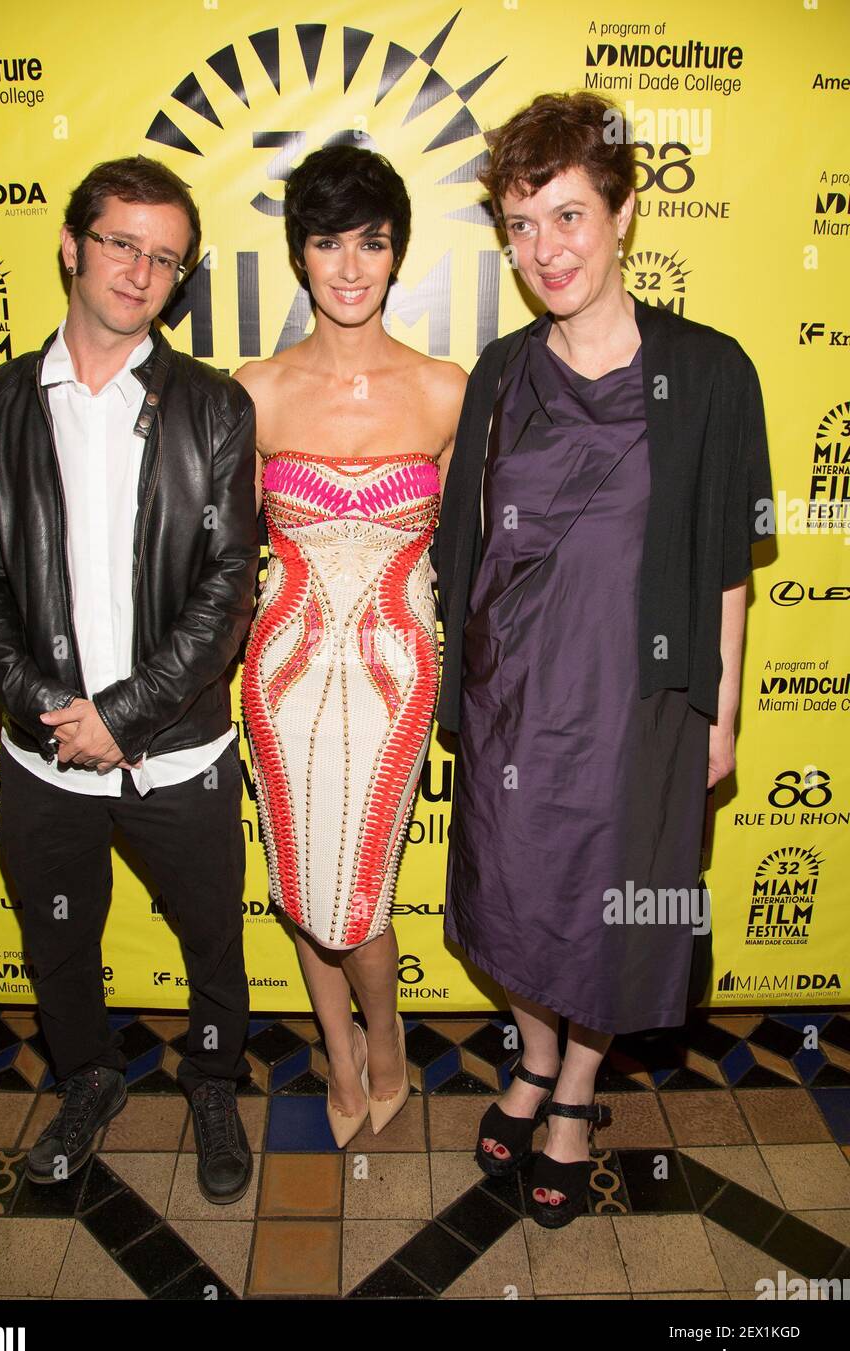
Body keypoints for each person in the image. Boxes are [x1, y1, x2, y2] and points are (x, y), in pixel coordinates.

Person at [432, 92, 772, 1227]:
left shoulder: (711, 372)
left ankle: (574, 1092)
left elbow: (726, 557)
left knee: (614, 914)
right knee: (517, 904)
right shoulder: (498, 373)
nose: (546, 251)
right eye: (523, 226)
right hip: (514, 703)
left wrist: (719, 710)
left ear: (624, 214)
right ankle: (533, 1057)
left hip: (641, 707)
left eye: (569, 216)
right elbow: (465, 547)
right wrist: (461, 696)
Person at [0, 155, 261, 1204]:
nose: (140, 270)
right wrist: (46, 714)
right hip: (43, 755)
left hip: (180, 750)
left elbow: (226, 589)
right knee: (59, 941)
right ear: (73, 247)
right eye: (121, 242)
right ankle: (86, 1079)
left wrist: (121, 718)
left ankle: (213, 1078)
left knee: (213, 940)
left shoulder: (214, 408)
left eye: (165, 256)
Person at [234, 145, 466, 1146]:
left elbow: (472, 555)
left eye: (370, 240)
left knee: (352, 890)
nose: (349, 263)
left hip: (398, 674)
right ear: (299, 253)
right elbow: (218, 555)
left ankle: (386, 1034)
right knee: (299, 885)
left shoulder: (446, 389)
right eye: (327, 240)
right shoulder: (257, 389)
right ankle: (340, 1049)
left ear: (396, 251)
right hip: (280, 675)